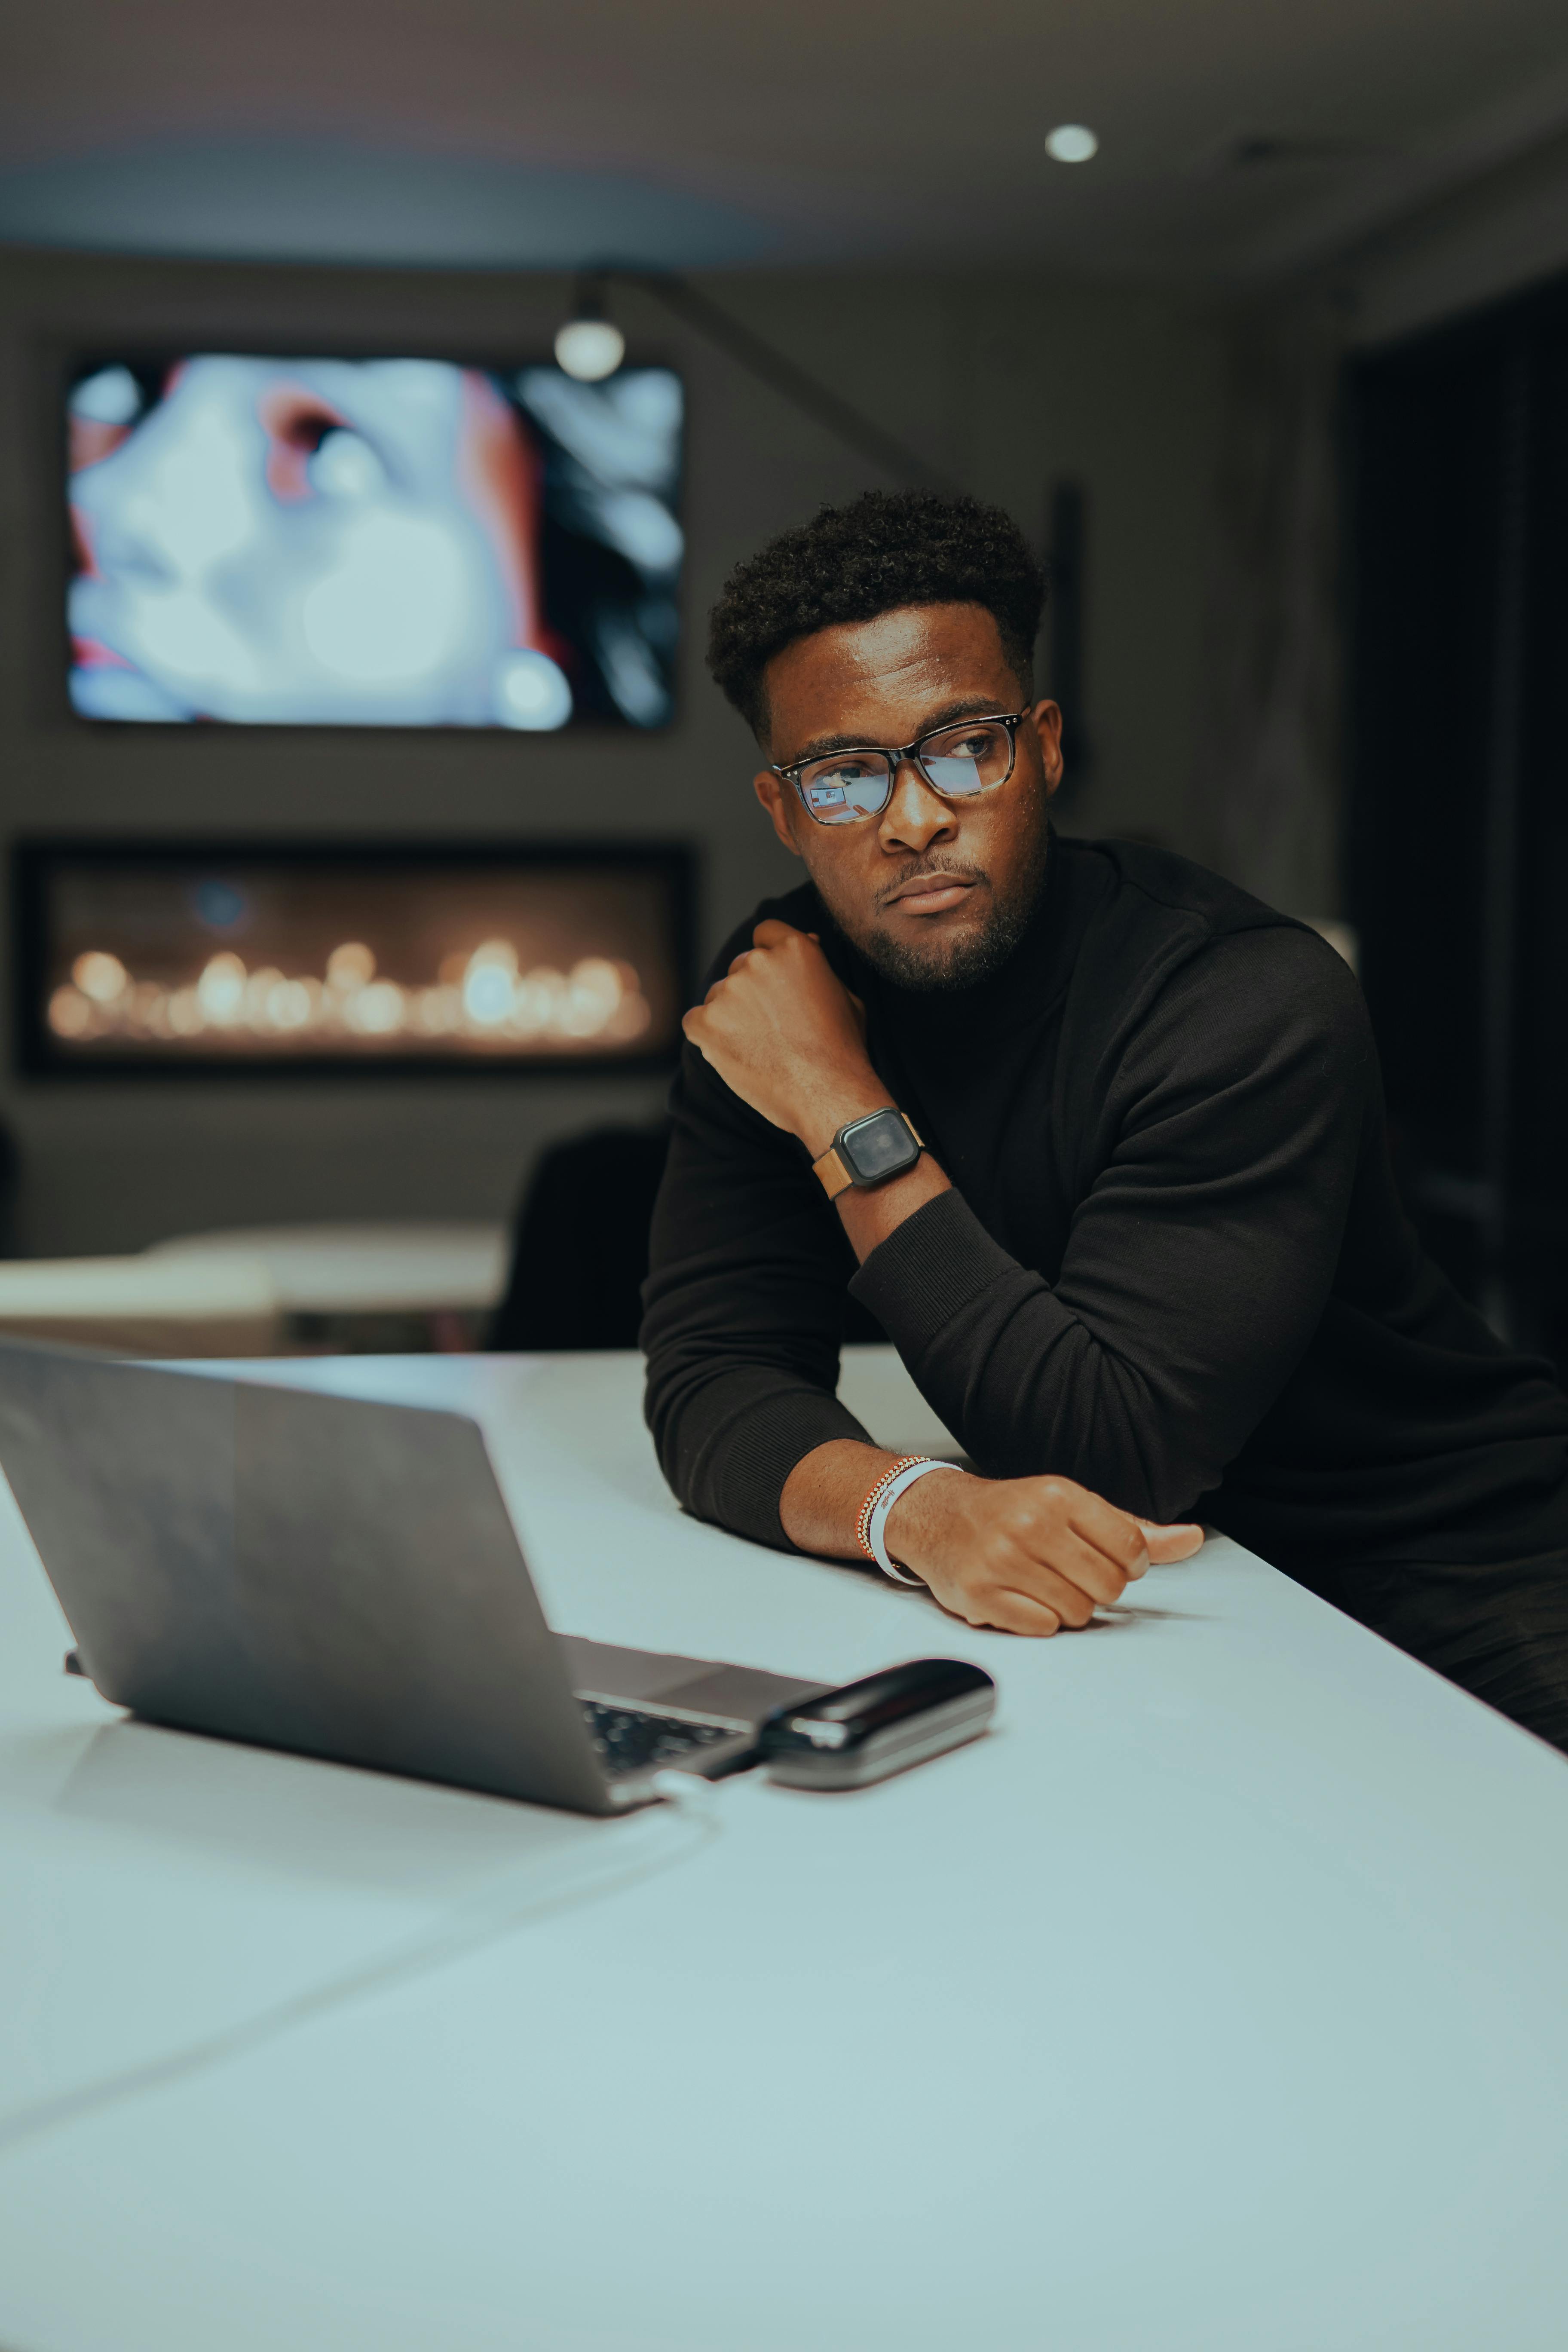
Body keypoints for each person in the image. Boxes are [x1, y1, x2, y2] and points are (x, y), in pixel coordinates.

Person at [641, 489, 1568, 1753]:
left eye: (965, 745)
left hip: (1456, 1569)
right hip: (1157, 1604)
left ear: (1046, 749)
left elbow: (1111, 1449)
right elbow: (713, 1377)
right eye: (846, 774)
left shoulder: (1243, 996)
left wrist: (842, 1106)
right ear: (786, 811)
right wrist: (910, 1510)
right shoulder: (779, 995)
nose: (915, 818)